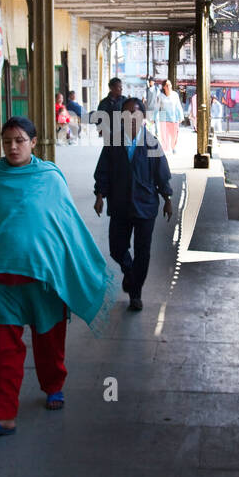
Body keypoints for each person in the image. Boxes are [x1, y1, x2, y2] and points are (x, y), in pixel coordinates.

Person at [0, 117, 114, 441]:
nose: (13, 146)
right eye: (7, 141)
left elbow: (64, 223)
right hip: (1, 278)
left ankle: (54, 386)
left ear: (34, 142)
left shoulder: (49, 177)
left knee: (49, 339)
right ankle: (3, 415)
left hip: (43, 278)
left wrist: (70, 262)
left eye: (20, 140)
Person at [94, 97, 174, 311]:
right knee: (116, 248)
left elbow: (162, 174)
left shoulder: (152, 142)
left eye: (135, 114)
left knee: (143, 251)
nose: (131, 118)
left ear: (143, 117)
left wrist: (167, 199)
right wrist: (99, 195)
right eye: (126, 114)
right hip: (120, 204)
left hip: (145, 205)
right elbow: (103, 171)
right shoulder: (113, 142)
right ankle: (129, 272)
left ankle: (136, 293)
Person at [155, 80, 184, 153]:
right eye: (167, 85)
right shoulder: (160, 96)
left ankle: (173, 147)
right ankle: (165, 149)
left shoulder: (175, 95)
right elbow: (156, 107)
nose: (169, 87)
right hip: (163, 118)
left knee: (174, 135)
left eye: (170, 85)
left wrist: (181, 116)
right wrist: (154, 118)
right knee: (164, 135)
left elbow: (178, 106)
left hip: (174, 118)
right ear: (164, 87)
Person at [96, 77, 126, 143]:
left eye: (121, 87)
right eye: (119, 87)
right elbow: (99, 119)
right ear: (112, 88)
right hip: (109, 137)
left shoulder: (125, 101)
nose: (121, 89)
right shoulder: (104, 103)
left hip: (124, 135)